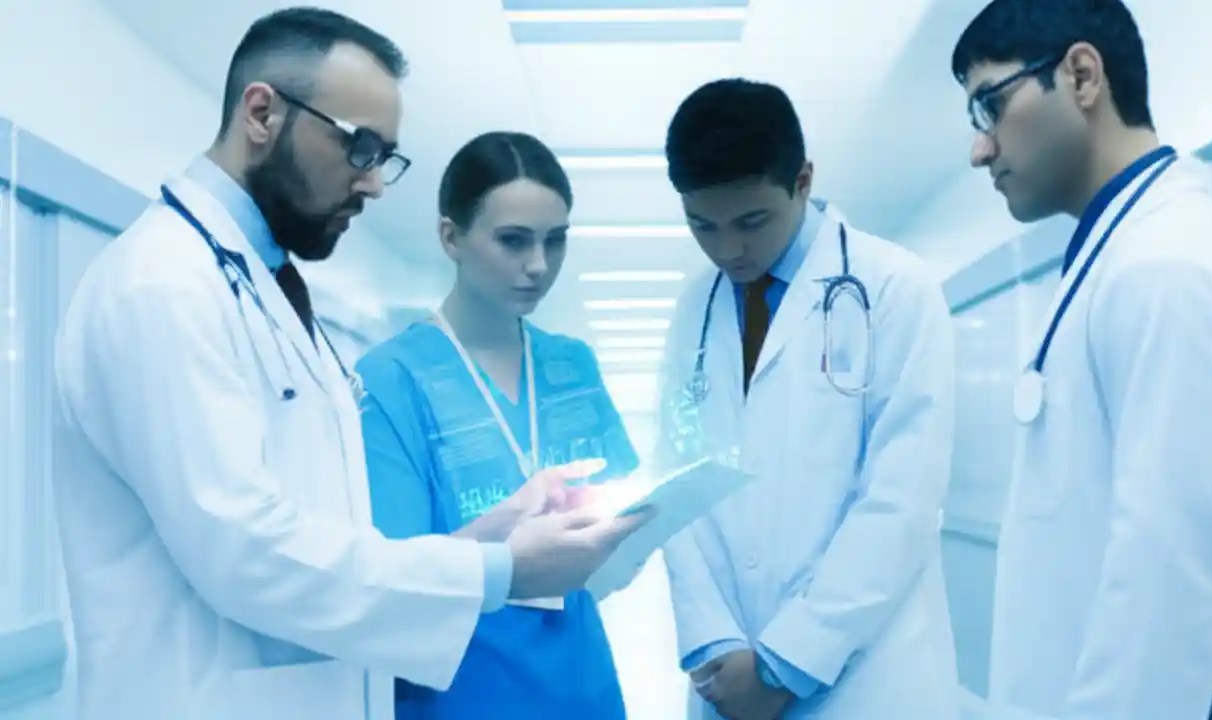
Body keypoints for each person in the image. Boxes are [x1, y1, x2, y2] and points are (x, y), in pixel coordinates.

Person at [51, 9, 644, 720]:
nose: (374, 184)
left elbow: (333, 538)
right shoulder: (162, 285)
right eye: (360, 147)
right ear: (262, 113)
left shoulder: (257, 285)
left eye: (385, 156)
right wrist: (502, 569)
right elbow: (246, 552)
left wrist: (498, 530)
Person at [952, 1, 1212, 718]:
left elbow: (1170, 580)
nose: (980, 149)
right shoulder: (1126, 255)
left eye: (990, 107)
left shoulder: (1171, 267)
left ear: (1081, 75)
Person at [655, 77, 959, 720]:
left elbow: (901, 499)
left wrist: (783, 666)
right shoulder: (695, 307)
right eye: (701, 226)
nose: (727, 249)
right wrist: (716, 644)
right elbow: (678, 485)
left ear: (803, 180)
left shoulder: (895, 289)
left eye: (751, 221)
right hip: (726, 676)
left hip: (863, 679)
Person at [356, 131, 641, 719]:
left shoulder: (571, 364)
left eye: (554, 241)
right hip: (461, 691)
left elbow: (623, 517)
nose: (538, 266)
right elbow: (391, 578)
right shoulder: (390, 379)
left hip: (581, 681)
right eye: (513, 241)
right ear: (450, 236)